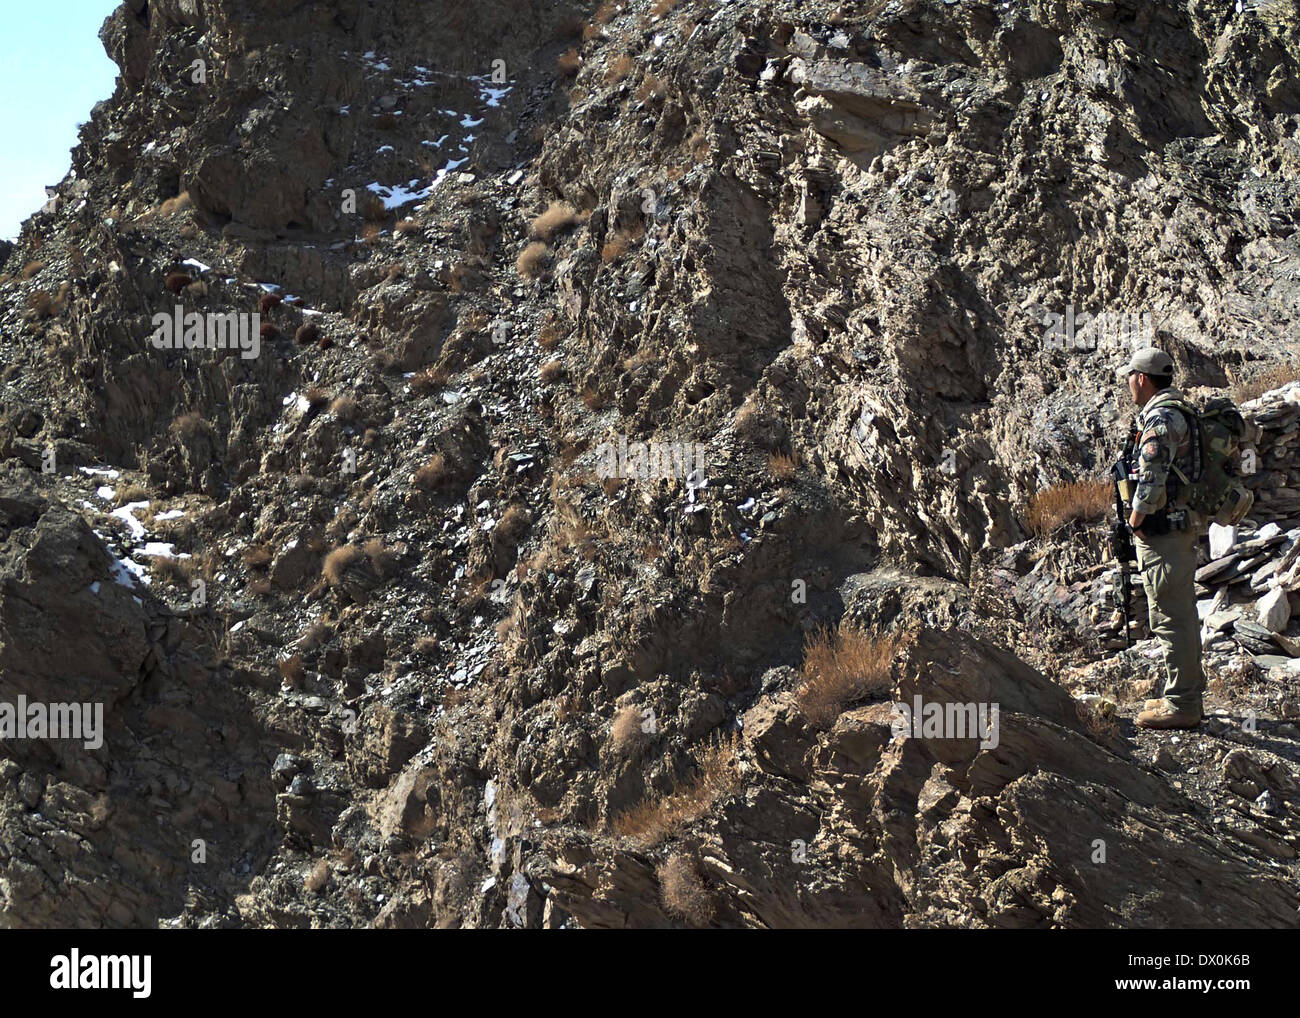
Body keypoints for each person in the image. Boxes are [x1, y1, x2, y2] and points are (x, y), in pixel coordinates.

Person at [1117, 348, 1205, 730]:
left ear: (1142, 378)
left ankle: (1182, 705)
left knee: (1171, 616)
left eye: (1130, 378)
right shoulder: (1178, 412)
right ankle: (1184, 692)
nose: (1128, 385)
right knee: (1179, 612)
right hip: (1177, 527)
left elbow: (1151, 480)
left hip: (1164, 532)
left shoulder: (1161, 419)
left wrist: (1134, 522)